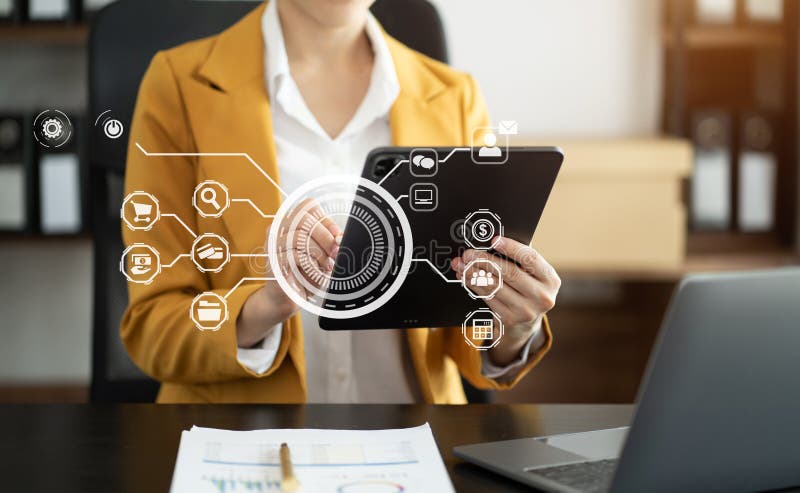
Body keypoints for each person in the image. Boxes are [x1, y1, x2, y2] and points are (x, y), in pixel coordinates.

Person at [121, 0, 561, 403]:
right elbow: (151, 329)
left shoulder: (455, 96)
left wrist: (513, 326)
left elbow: (466, 335)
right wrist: (263, 308)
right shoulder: (178, 85)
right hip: (246, 443)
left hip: (413, 444)